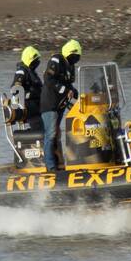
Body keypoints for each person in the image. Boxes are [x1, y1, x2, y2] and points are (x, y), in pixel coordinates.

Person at [39, 39, 82, 173]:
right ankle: (50, 167)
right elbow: (48, 79)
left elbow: (68, 84)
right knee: (50, 134)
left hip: (61, 105)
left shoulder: (70, 66)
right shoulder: (56, 60)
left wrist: (75, 92)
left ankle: (59, 162)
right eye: (75, 55)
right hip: (50, 105)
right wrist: (64, 90)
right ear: (70, 53)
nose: (77, 59)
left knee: (57, 133)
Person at [8, 45, 42, 125]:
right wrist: (29, 94)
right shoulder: (21, 72)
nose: (37, 62)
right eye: (35, 60)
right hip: (27, 105)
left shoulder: (32, 72)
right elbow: (15, 90)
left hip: (35, 103)